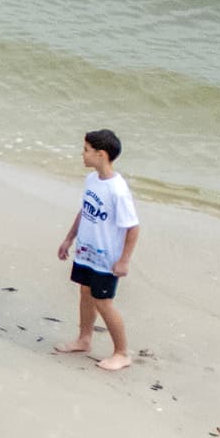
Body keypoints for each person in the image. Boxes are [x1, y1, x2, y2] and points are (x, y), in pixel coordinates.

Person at [58, 128, 141, 371]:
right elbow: (84, 210)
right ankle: (84, 340)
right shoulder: (92, 180)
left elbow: (133, 228)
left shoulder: (118, 191)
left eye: (86, 150)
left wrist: (124, 261)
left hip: (106, 258)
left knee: (103, 302)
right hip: (86, 251)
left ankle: (122, 353)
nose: (82, 154)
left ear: (101, 154)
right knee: (85, 292)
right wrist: (69, 239)